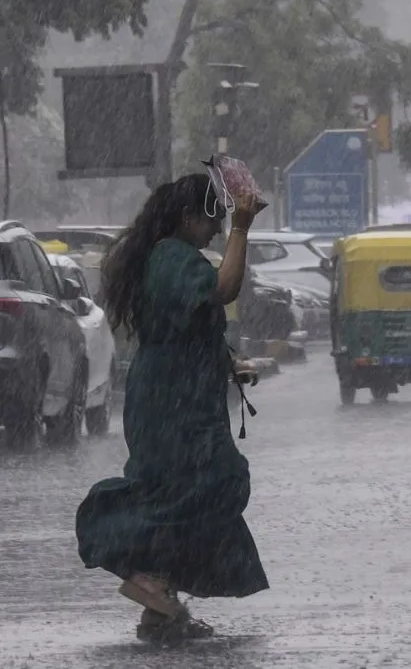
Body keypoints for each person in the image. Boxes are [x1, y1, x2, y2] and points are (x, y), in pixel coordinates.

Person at [75, 173, 269, 643]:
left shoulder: (170, 258)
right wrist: (244, 226)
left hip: (177, 394)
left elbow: (189, 323)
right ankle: (147, 574)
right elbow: (224, 288)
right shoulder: (171, 258)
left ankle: (161, 613)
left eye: (225, 222)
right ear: (187, 218)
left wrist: (228, 361)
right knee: (208, 485)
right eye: (214, 219)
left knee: (178, 489)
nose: (218, 229)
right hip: (173, 401)